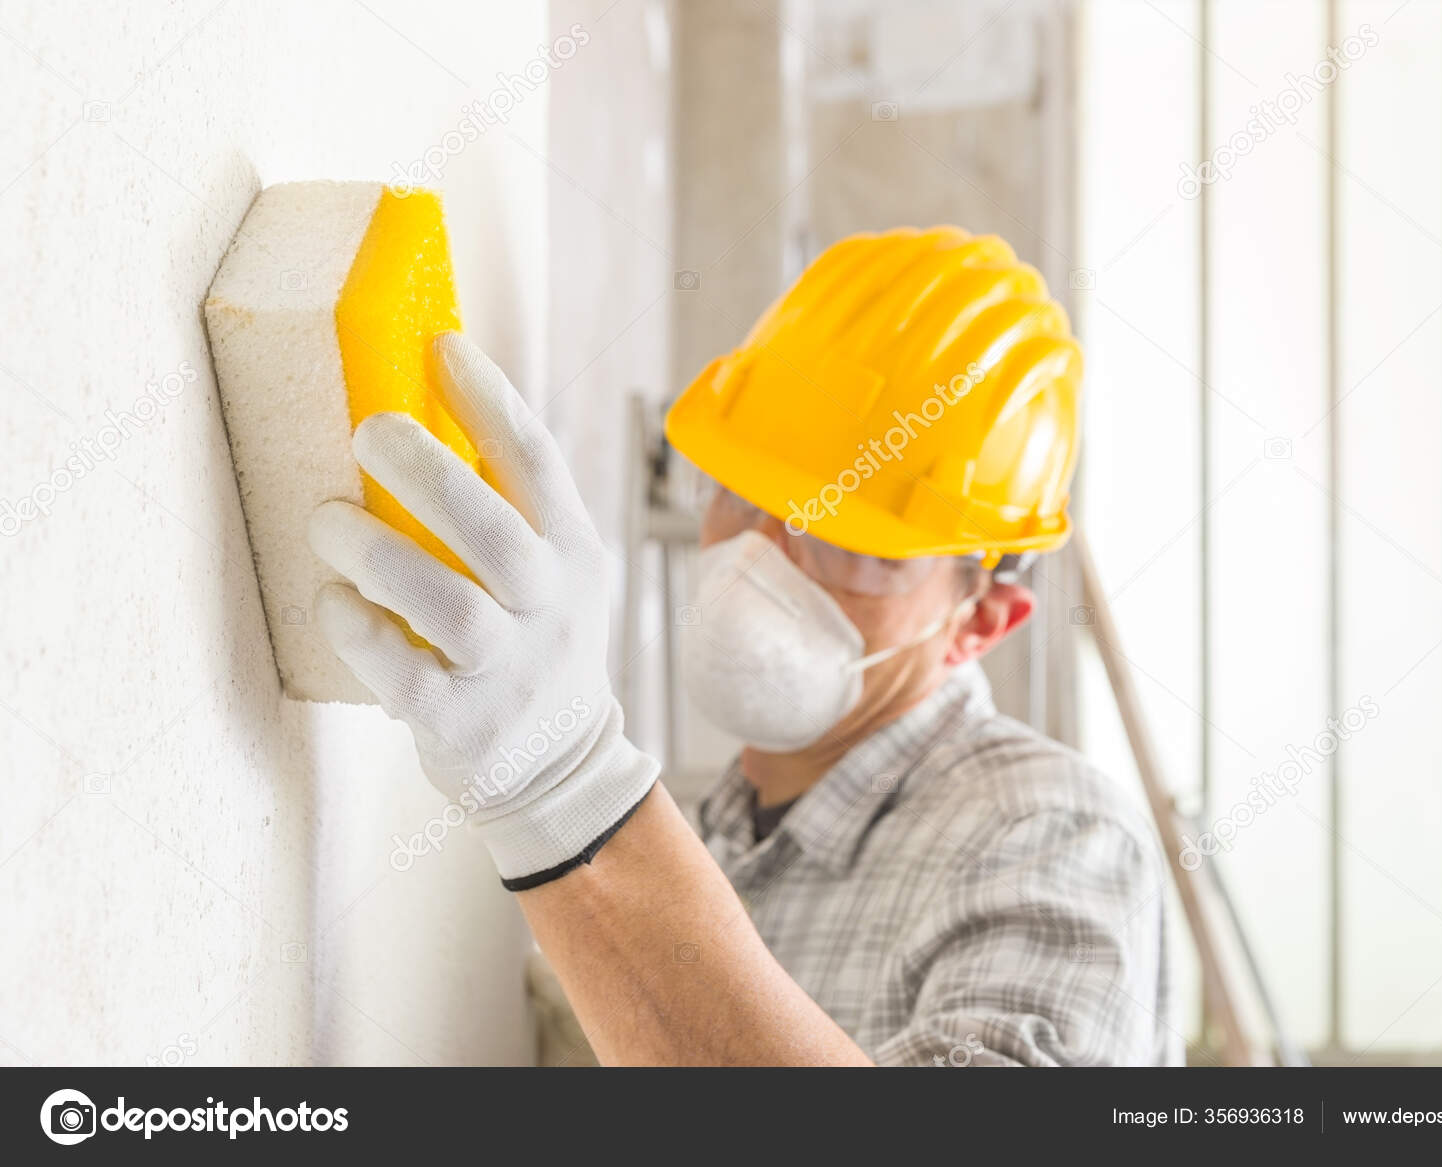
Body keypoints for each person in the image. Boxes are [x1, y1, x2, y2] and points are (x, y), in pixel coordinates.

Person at [307, 226, 1176, 1065]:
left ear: (980, 621)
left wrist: (567, 794)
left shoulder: (1051, 837)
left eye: (849, 540)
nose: (762, 558)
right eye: (743, 495)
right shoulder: (713, 838)